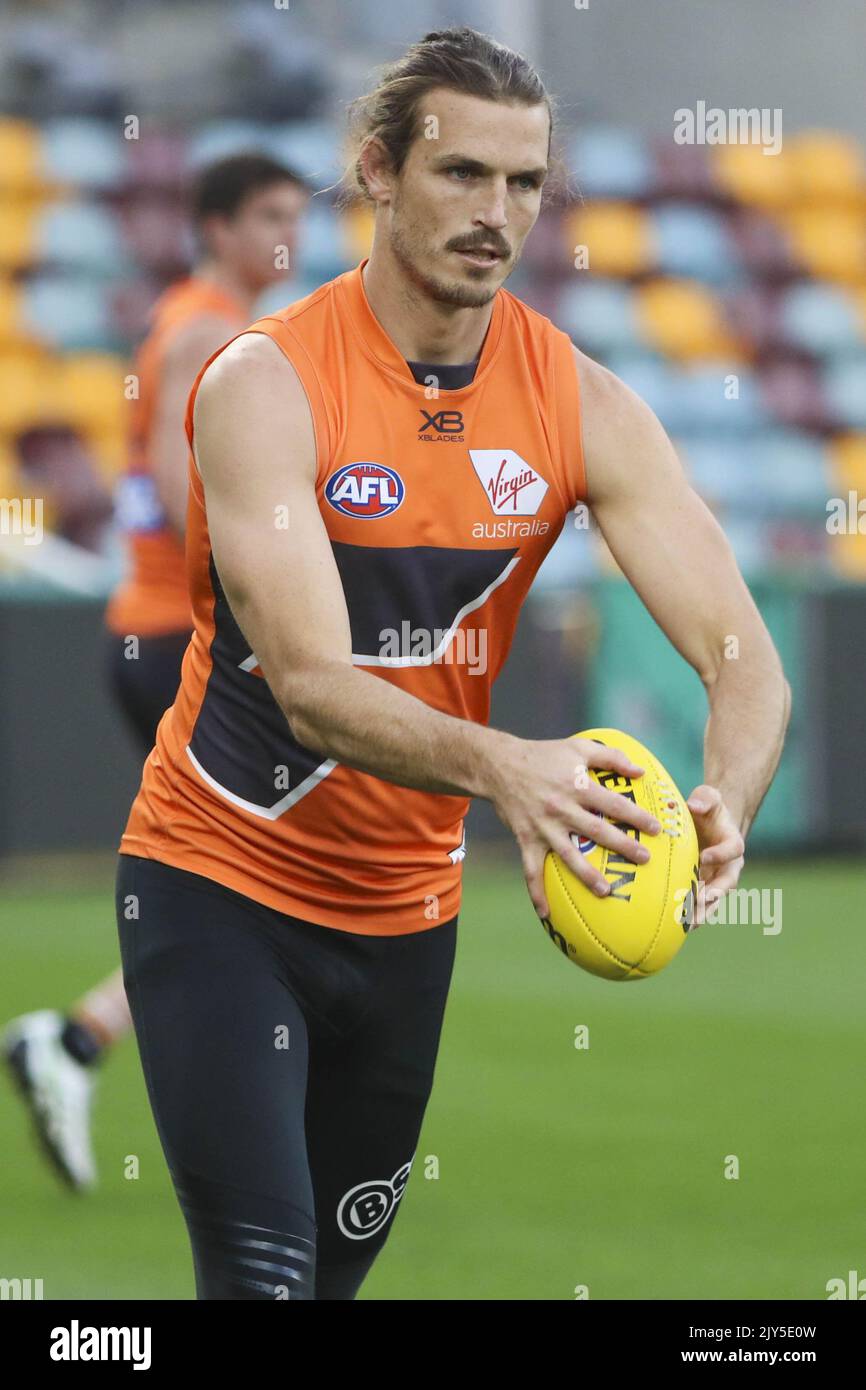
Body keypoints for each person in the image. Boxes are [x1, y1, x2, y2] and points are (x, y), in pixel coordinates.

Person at [114, 27, 790, 1298]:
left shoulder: (578, 398)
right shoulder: (264, 381)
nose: (496, 214)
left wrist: (726, 799)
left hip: (406, 924)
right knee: (259, 1279)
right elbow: (311, 685)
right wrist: (511, 770)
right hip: (219, 886)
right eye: (460, 174)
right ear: (377, 170)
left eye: (524, 184)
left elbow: (746, 660)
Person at [3, 153, 310, 1192]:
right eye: (269, 214)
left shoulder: (208, 323)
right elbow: (194, 506)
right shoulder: (206, 330)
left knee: (249, 884)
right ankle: (111, 1056)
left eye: (294, 214)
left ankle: (81, 1041)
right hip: (178, 638)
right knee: (266, 884)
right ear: (216, 226)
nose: (289, 234)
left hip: (163, 633)